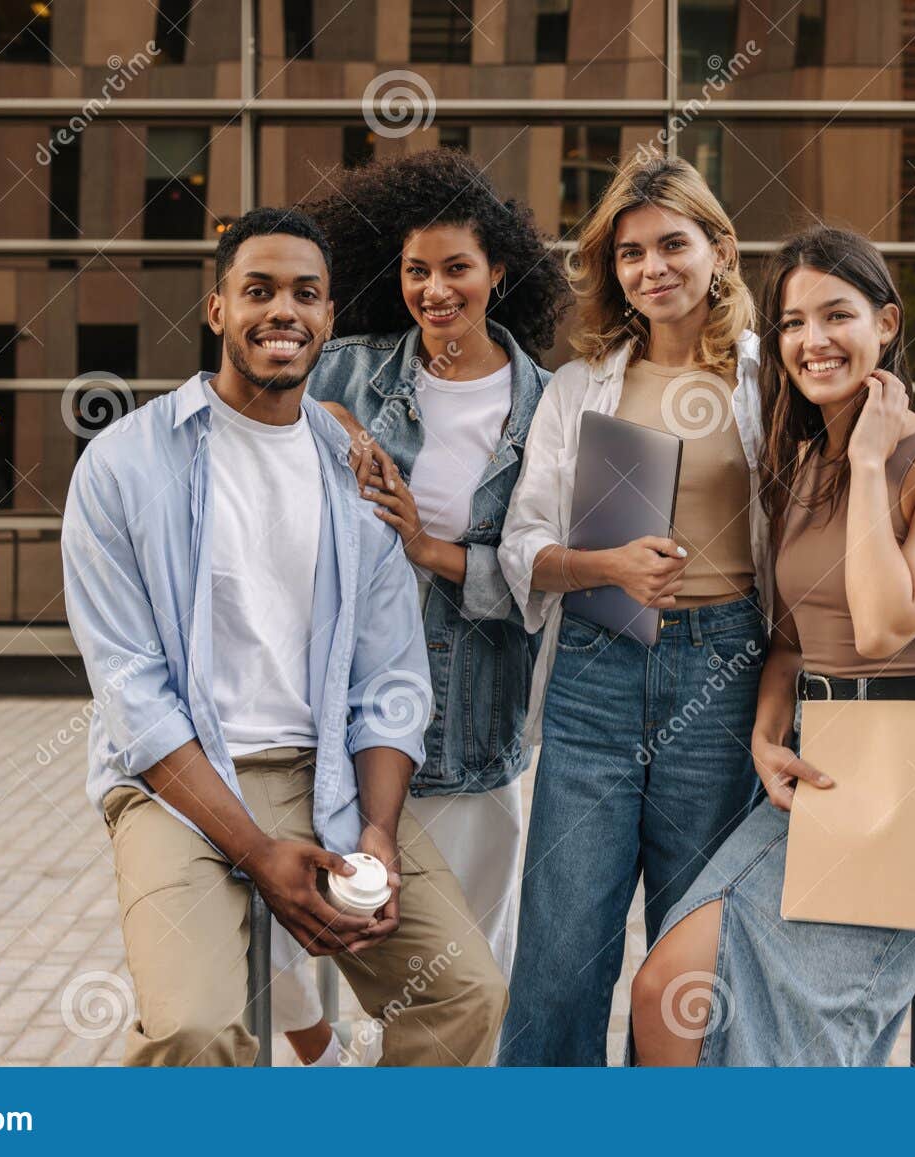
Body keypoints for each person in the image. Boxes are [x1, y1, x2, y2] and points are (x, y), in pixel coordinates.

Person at [495, 153, 915, 1065]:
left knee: (697, 954)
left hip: (724, 666)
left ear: (718, 249)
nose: (653, 268)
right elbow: (520, 547)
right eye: (631, 252)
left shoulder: (776, 380)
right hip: (599, 670)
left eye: (673, 244)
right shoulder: (579, 387)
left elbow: (862, 515)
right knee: (563, 951)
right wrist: (602, 561)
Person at [61, 206, 506, 1067]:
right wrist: (258, 852)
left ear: (329, 317)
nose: (283, 312)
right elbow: (133, 700)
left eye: (306, 293)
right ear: (217, 308)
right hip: (176, 789)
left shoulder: (356, 472)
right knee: (195, 1031)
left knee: (464, 996)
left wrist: (377, 830)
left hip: (325, 775)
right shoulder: (123, 464)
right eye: (257, 290)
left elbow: (391, 680)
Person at [629, 223, 915, 1066]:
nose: (811, 341)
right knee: (665, 990)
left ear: (888, 324)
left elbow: (882, 626)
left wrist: (869, 461)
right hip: (819, 764)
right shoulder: (796, 466)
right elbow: (792, 637)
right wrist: (766, 734)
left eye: (837, 315)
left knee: (795, 1042)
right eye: (792, 322)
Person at [248, 150, 569, 1066]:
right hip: (339, 726)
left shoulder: (548, 409)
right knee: (314, 954)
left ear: (499, 272)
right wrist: (330, 426)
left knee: (463, 983)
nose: (436, 290)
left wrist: (431, 549)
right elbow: (240, 454)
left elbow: (544, 577)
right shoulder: (339, 376)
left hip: (472, 739)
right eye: (416, 269)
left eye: (457, 268)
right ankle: (323, 1062)